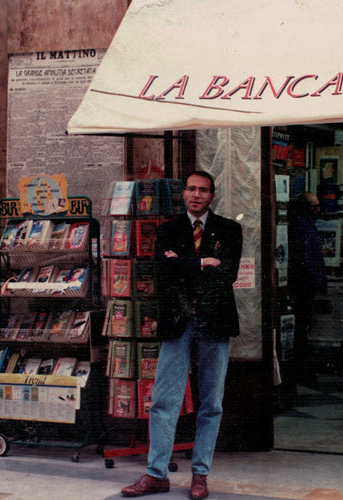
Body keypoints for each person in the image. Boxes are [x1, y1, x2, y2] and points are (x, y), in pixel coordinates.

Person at [121, 171, 241, 500]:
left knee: (211, 402)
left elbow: (227, 274)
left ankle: (200, 474)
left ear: (211, 196)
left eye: (203, 190)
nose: (196, 195)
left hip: (214, 321)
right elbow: (162, 270)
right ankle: (156, 474)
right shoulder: (169, 230)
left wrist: (183, 264)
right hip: (178, 321)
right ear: (183, 194)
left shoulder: (230, 230)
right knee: (163, 399)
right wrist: (203, 261)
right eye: (191, 189)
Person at [287, 192, 327, 380]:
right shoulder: (302, 226)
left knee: (303, 326)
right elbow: (305, 258)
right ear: (305, 207)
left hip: (305, 284)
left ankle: (301, 367)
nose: (318, 210)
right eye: (315, 206)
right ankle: (301, 369)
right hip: (303, 285)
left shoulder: (306, 224)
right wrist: (314, 280)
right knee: (302, 326)